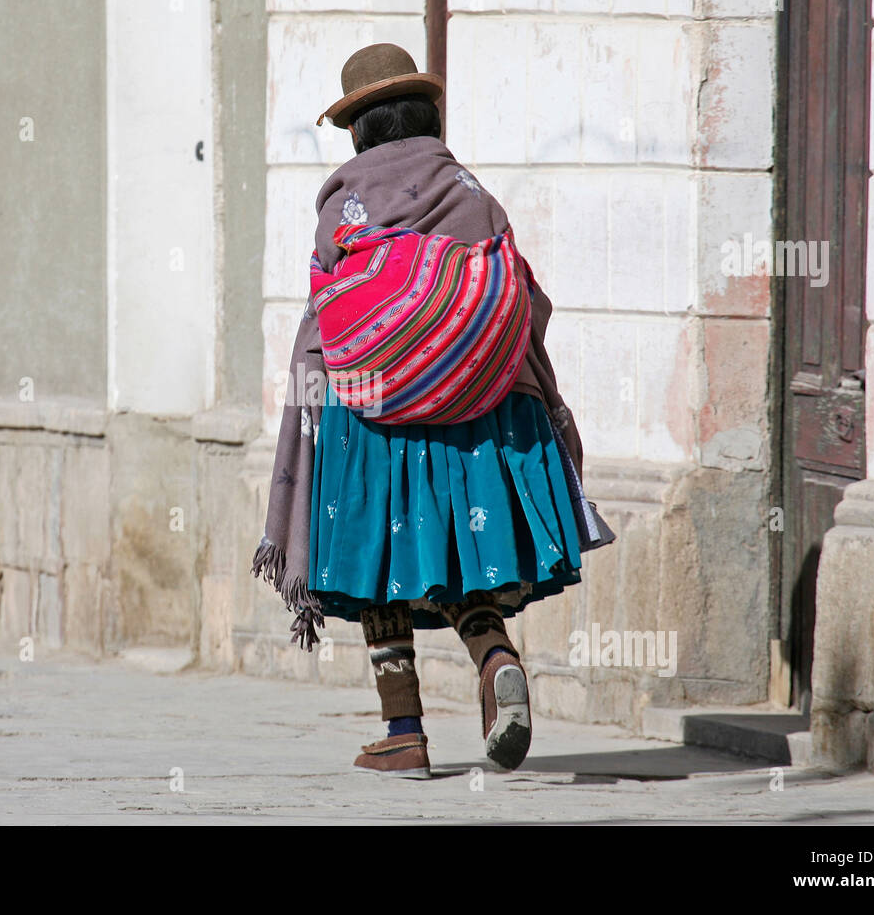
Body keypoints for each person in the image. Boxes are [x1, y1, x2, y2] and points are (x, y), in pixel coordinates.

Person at [253, 43, 614, 779]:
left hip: (372, 410)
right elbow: (528, 300)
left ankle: (404, 729)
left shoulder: (344, 199)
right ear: (426, 115)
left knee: (376, 561)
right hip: (477, 407)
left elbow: (327, 308)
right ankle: (493, 657)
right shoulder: (469, 191)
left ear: (360, 128)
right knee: (456, 555)